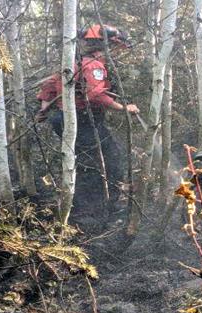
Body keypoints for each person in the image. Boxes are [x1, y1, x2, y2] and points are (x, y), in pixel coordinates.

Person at [36, 24, 140, 219]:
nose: (118, 54)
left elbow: (49, 85)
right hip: (80, 120)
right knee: (103, 161)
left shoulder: (73, 62)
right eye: (117, 49)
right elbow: (95, 95)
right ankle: (91, 211)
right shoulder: (93, 65)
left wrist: (44, 109)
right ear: (106, 46)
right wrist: (124, 108)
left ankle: (84, 207)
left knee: (86, 160)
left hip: (66, 119)